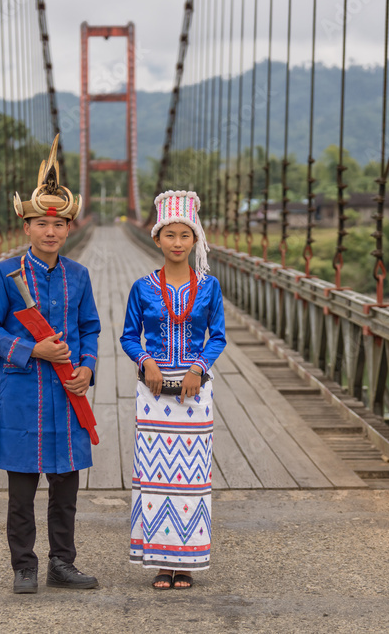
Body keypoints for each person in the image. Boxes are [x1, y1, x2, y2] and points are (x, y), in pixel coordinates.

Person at [0, 136, 101, 594]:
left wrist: (86, 367)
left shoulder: (79, 276)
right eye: (41, 223)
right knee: (22, 490)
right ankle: (24, 566)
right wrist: (33, 351)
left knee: (66, 486)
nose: (50, 231)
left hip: (67, 394)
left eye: (59, 224)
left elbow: (90, 328)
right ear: (25, 226)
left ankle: (62, 564)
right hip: (24, 391)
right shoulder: (4, 274)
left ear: (69, 229)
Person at [120, 190, 226, 590]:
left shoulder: (210, 287)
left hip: (195, 391)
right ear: (157, 239)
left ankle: (188, 561)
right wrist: (145, 360)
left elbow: (218, 336)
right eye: (170, 235)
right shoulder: (142, 288)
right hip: (153, 388)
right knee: (157, 473)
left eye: (185, 235)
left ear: (195, 239)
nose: (178, 242)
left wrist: (199, 367)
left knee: (192, 475)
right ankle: (162, 562)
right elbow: (130, 336)